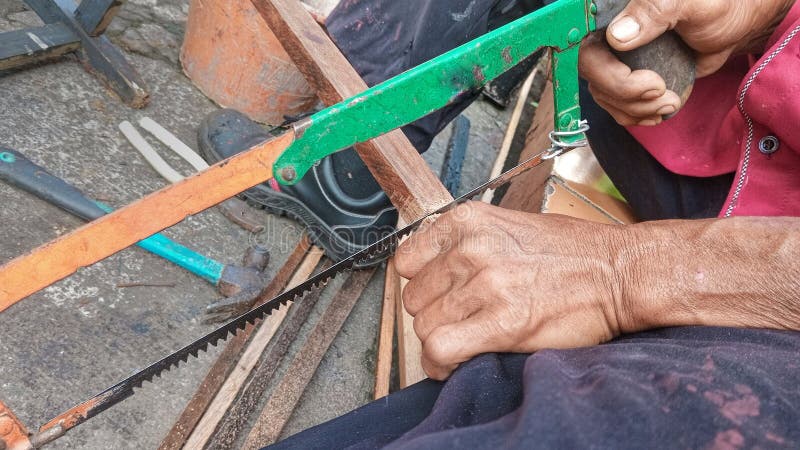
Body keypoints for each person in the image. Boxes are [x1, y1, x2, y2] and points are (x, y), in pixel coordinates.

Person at [207, 0, 800, 447]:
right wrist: (763, 19)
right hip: (732, 136)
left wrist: (620, 274)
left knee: (570, 419)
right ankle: (348, 172)